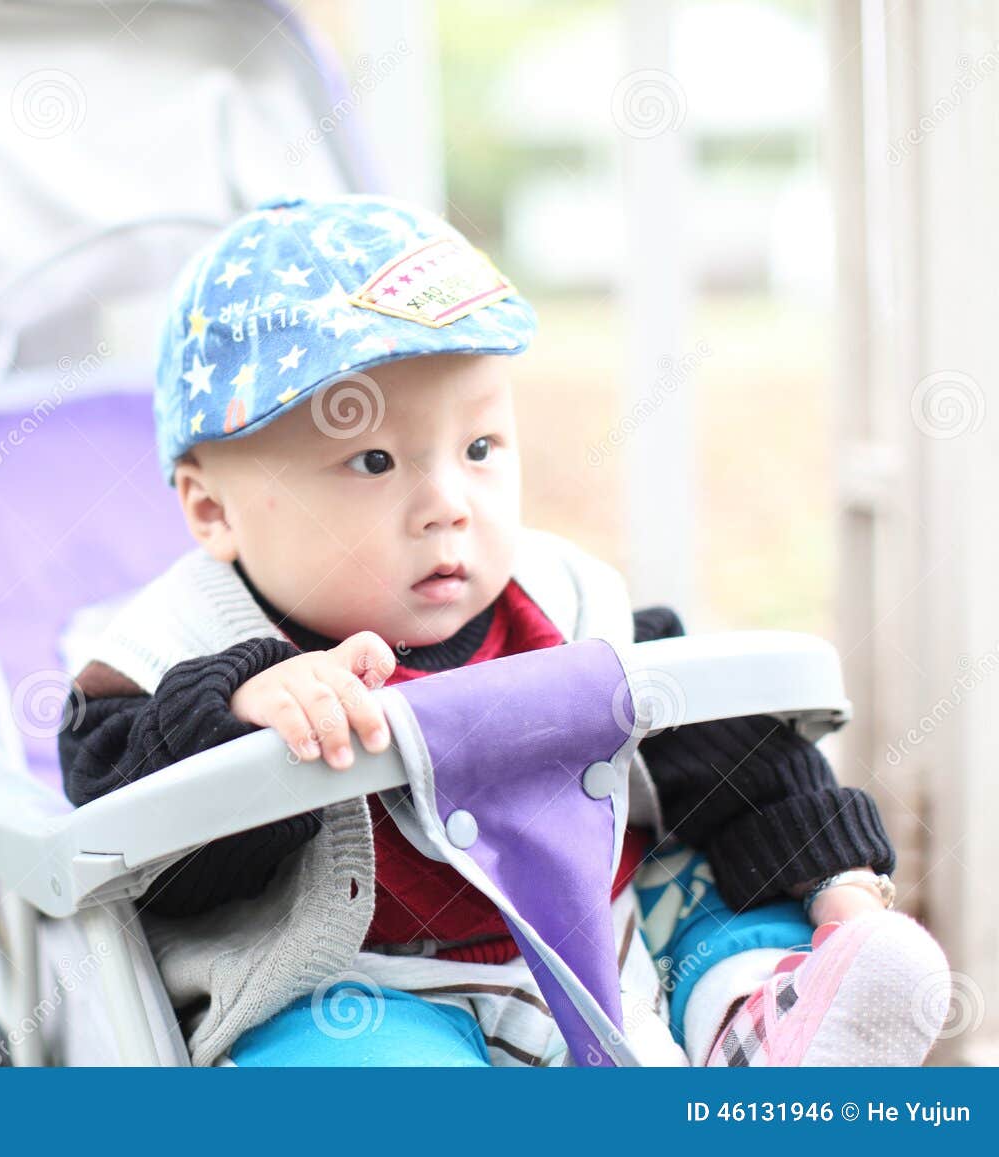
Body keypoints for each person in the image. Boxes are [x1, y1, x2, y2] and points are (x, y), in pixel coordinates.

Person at [58, 193, 951, 1066]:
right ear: (214, 509)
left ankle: (771, 1024)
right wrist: (237, 719)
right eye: (373, 461)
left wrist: (839, 880)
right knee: (347, 1064)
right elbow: (124, 830)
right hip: (368, 989)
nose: (449, 504)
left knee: (735, 904)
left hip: (614, 933)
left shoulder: (563, 602)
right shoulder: (180, 646)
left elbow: (735, 755)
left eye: (480, 448)